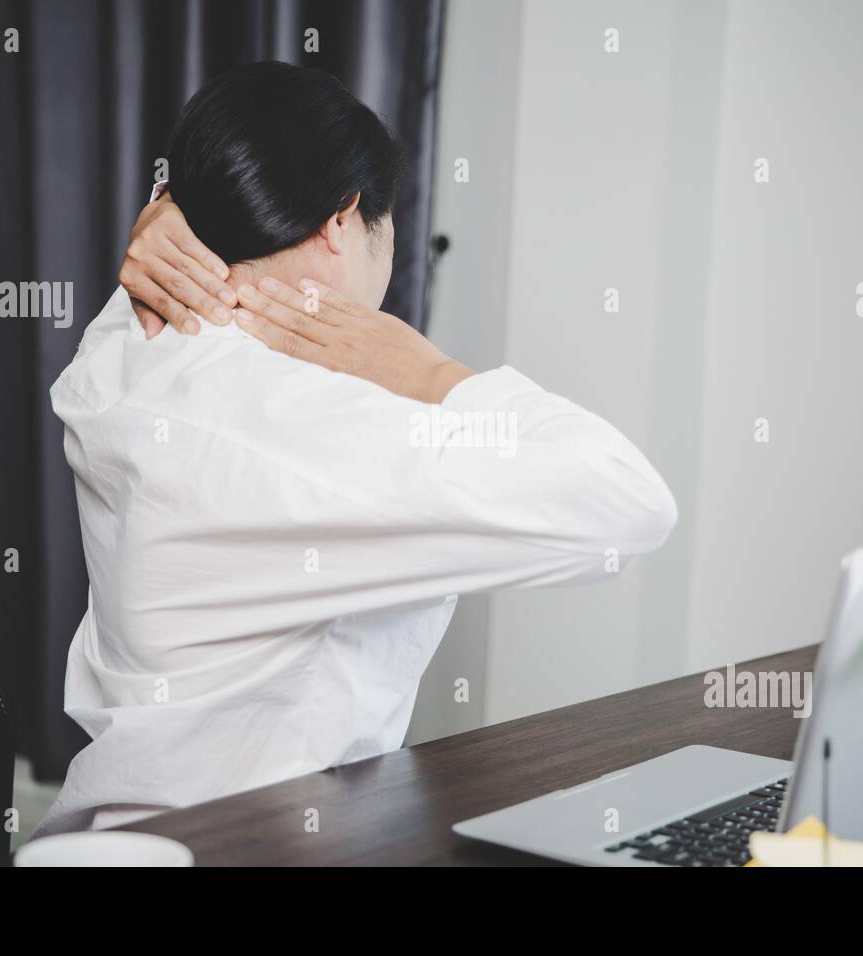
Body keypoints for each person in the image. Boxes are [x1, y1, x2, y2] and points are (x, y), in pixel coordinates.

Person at [37, 61, 676, 835]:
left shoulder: (119, 343)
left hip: (132, 834)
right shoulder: (318, 423)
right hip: (259, 846)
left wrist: (170, 207)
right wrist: (432, 373)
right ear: (343, 220)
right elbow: (630, 504)